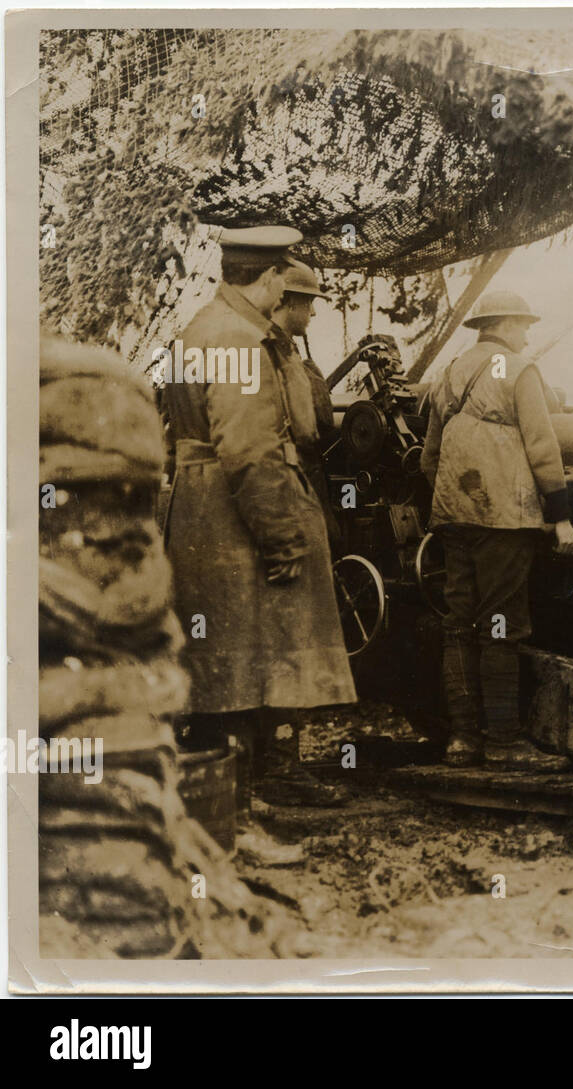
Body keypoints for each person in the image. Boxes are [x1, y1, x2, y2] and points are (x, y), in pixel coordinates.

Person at [163, 225, 354, 808]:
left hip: (204, 506)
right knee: (248, 646)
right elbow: (248, 450)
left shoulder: (200, 328)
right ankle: (239, 797)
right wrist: (282, 537)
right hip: (235, 510)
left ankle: (254, 781)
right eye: (281, 278)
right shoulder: (238, 341)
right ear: (270, 278)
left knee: (237, 648)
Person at [421, 290, 573, 769]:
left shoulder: (449, 372)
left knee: (458, 624)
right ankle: (505, 741)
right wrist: (561, 517)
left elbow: (430, 455)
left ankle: (462, 740)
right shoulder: (519, 369)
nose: (527, 334)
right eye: (524, 325)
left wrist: (457, 496)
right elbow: (542, 445)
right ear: (507, 325)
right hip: (504, 518)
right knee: (501, 624)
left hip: (453, 513)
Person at [269, 259, 342, 555]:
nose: (313, 311)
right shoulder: (272, 351)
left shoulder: (287, 349)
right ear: (287, 301)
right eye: (309, 302)